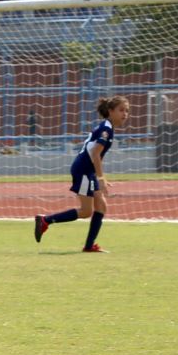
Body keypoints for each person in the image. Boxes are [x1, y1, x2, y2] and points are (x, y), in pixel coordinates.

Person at [33, 95, 129, 253]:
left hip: (87, 170)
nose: (125, 114)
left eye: (127, 111)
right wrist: (101, 178)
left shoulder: (107, 127)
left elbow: (96, 154)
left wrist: (100, 176)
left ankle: (89, 245)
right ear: (110, 111)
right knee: (86, 211)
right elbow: (96, 154)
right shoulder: (106, 130)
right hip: (84, 170)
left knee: (101, 206)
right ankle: (45, 221)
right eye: (121, 110)